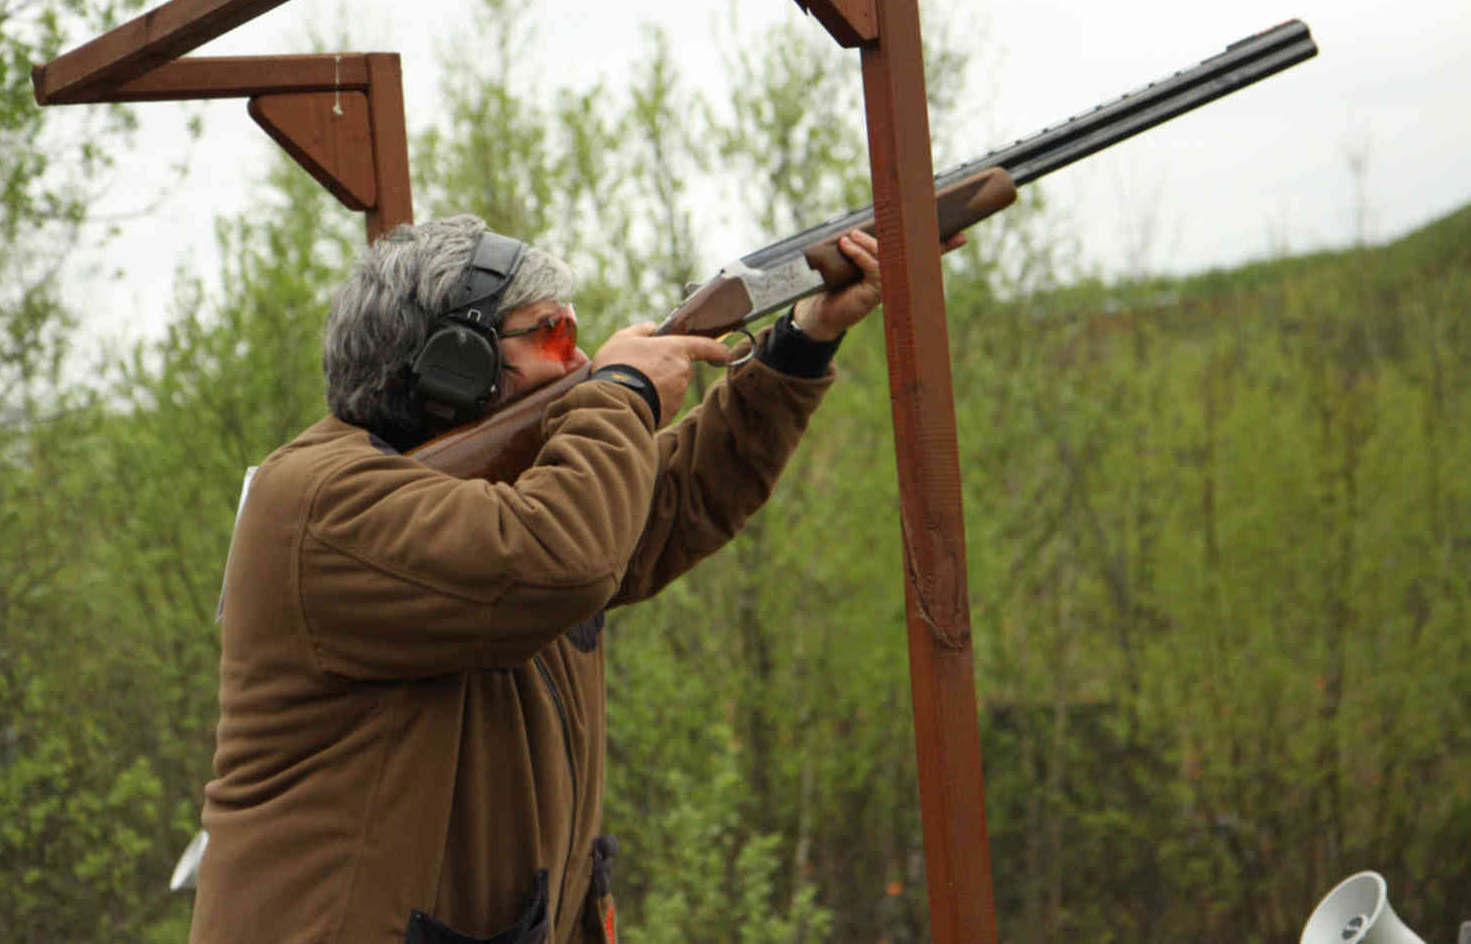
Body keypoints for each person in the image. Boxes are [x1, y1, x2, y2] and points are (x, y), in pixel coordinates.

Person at [189, 213, 931, 944]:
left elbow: (661, 506)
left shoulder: (503, 494)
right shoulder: (322, 502)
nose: (578, 361)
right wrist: (622, 394)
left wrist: (801, 341)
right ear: (456, 362)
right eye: (553, 334)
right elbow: (562, 556)